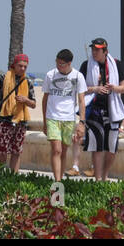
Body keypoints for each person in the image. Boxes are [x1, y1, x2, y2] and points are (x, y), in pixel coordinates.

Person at [81, 38, 124, 181]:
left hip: (112, 110)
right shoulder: (86, 65)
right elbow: (80, 90)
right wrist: (95, 88)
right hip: (94, 109)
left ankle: (105, 175)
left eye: (97, 50)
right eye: (93, 49)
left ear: (105, 51)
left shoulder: (116, 65)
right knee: (97, 146)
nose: (94, 52)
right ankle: (98, 178)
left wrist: (114, 88)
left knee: (112, 147)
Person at [40, 49, 87, 181]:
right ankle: (57, 181)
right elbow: (45, 99)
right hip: (52, 117)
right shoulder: (50, 75)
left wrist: (82, 122)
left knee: (64, 151)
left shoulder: (78, 76)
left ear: (69, 63)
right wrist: (44, 121)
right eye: (57, 63)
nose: (58, 66)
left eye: (62, 64)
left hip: (69, 118)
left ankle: (60, 179)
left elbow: (82, 101)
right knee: (57, 150)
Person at [0, 53, 36, 172]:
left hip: (20, 122)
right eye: (20, 66)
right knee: (1, 151)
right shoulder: (3, 79)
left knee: (16, 152)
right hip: (5, 120)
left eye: (25, 67)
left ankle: (13, 178)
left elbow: (33, 104)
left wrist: (25, 100)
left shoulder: (27, 82)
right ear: (14, 65)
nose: (22, 68)